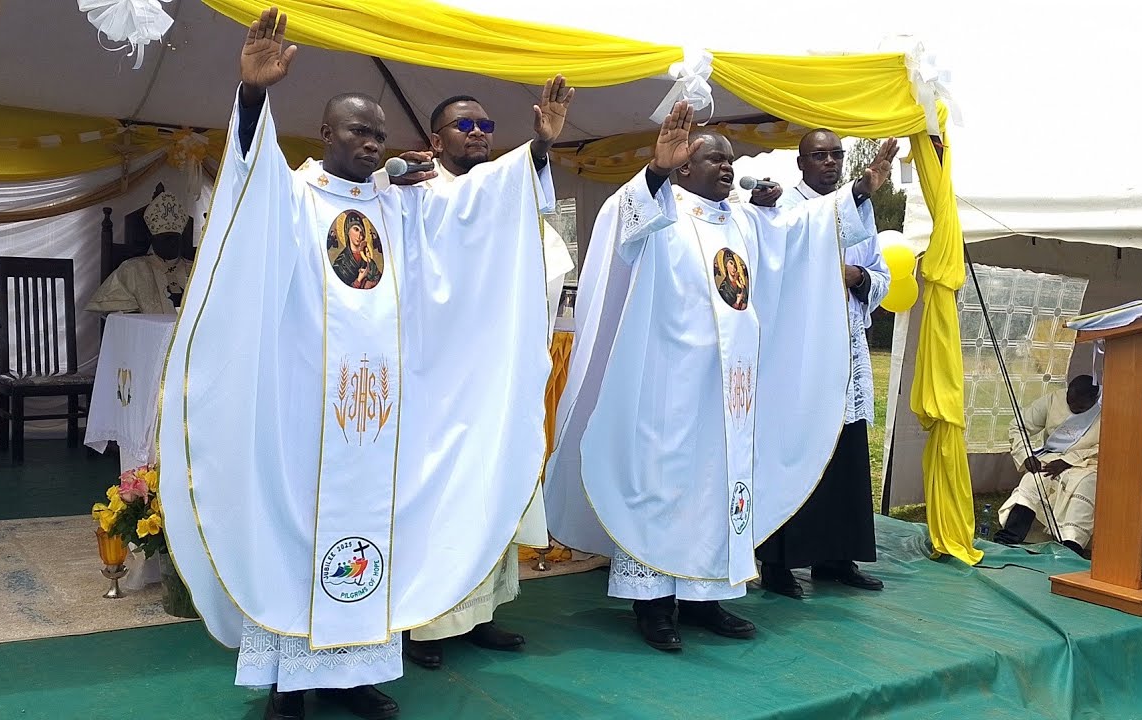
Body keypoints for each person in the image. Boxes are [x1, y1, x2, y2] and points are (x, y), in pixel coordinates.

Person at [157, 9, 572, 719]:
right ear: (326, 135)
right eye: (359, 131)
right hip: (304, 409)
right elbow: (245, 189)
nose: (373, 144)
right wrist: (253, 96)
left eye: (380, 134)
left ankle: (354, 675)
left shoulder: (402, 207)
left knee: (374, 532)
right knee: (298, 532)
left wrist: (535, 148)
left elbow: (474, 218)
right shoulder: (292, 194)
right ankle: (290, 684)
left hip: (379, 418)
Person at [545, 101, 898, 651]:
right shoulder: (660, 210)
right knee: (664, 490)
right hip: (669, 387)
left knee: (718, 488)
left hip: (731, 391)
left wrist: (858, 191)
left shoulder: (741, 218)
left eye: (730, 160)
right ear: (684, 166)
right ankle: (654, 605)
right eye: (714, 159)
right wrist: (656, 171)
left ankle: (706, 598)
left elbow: (799, 234)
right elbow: (622, 223)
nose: (728, 169)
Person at [400, 94, 576, 670]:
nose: (478, 132)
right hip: (435, 376)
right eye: (464, 124)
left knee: (488, 486)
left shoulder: (506, 195)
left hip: (492, 374)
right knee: (437, 497)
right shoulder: (414, 193)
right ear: (435, 140)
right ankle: (422, 623)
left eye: (487, 123)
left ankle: (478, 615)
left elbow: (546, 262)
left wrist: (544, 144)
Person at [753, 128, 892, 599]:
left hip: (848, 350)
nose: (829, 162)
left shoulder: (863, 211)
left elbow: (882, 274)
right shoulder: (785, 210)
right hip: (802, 355)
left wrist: (860, 276)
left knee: (847, 454)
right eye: (819, 155)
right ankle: (778, 562)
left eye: (836, 155)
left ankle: (837, 557)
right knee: (796, 450)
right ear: (801, 163)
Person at [993, 375, 1102, 554]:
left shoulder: (1106, 407)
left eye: (1080, 407)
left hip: (1088, 463)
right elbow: (1018, 426)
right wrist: (1027, 455)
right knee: (1033, 479)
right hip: (1053, 457)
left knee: (1084, 485)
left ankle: (1071, 546)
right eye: (1070, 402)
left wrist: (1068, 461)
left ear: (1094, 399)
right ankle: (1010, 537)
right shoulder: (1053, 399)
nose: (1073, 408)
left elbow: (1109, 445)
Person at [86, 190, 192, 315]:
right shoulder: (131, 269)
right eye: (164, 238)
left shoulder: (197, 270)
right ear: (152, 239)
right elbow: (114, 313)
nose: (171, 243)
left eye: (174, 238)